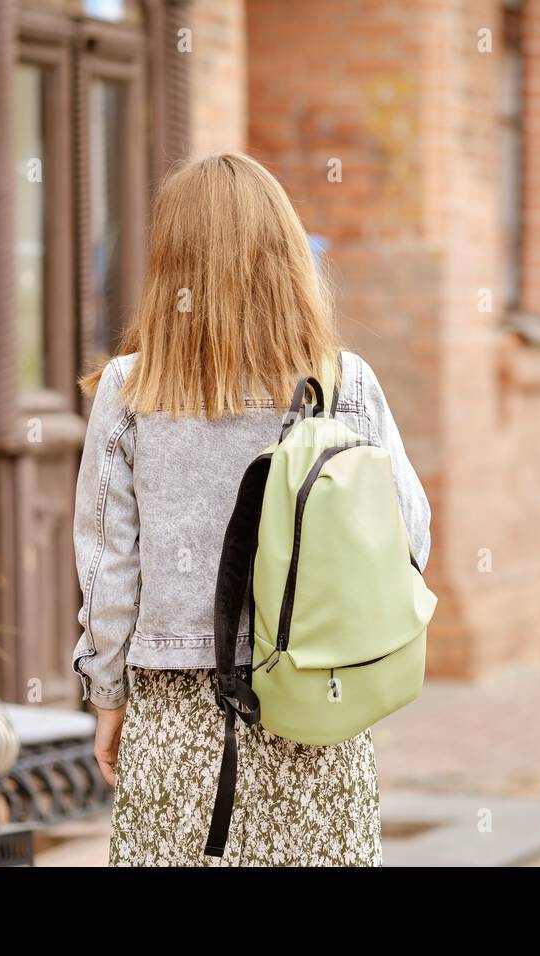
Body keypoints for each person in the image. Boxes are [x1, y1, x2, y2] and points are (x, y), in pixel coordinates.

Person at [72, 152, 431, 866]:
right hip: (317, 709)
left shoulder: (129, 391)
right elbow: (409, 536)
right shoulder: (343, 384)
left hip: (178, 724)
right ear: (287, 257)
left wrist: (107, 697)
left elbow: (110, 567)